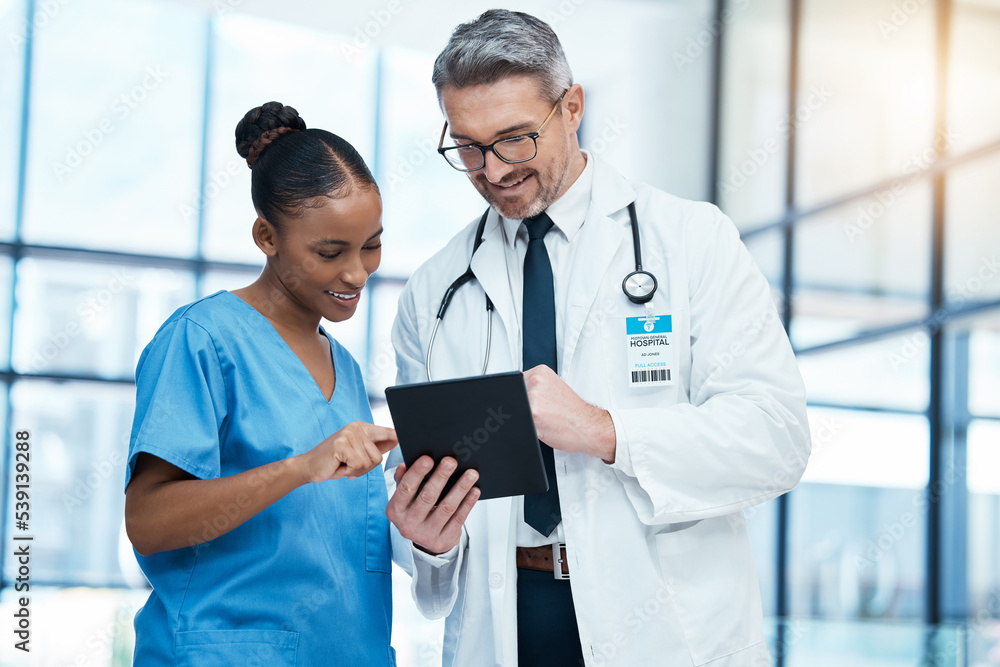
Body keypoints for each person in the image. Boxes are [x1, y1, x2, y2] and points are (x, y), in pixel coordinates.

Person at [385, 10, 811, 667]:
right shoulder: (436, 290)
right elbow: (428, 518)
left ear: (573, 107)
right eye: (468, 147)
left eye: (515, 139)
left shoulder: (692, 241)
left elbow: (775, 437)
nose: (493, 170)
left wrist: (603, 429)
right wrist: (427, 538)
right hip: (504, 626)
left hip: (661, 626)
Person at [124, 101, 399, 666]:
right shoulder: (201, 340)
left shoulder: (343, 368)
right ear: (266, 236)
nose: (357, 272)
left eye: (371, 244)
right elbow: (147, 522)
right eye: (330, 251)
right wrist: (301, 467)